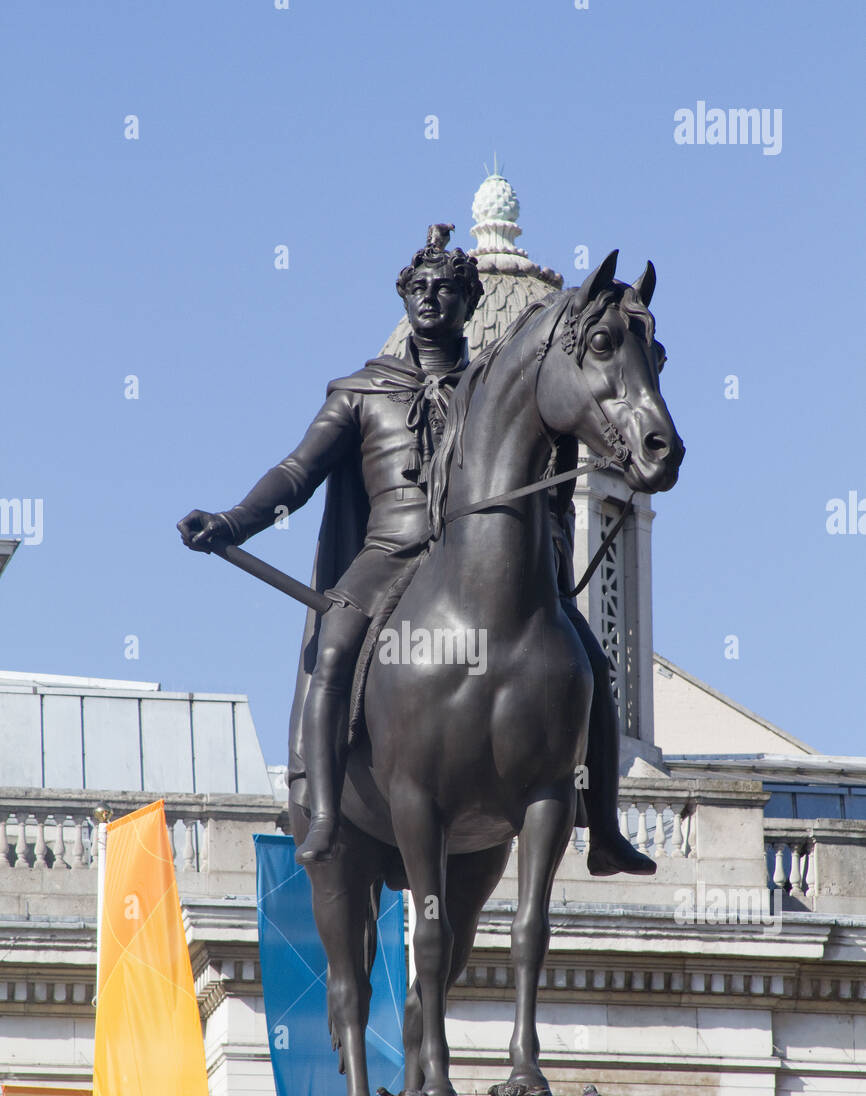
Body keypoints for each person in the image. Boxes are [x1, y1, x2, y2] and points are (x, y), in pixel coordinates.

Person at [178, 225, 654, 876]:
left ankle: (602, 825)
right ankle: (321, 808)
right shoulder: (360, 392)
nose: (432, 300)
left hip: (475, 557)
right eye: (420, 289)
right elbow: (297, 474)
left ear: (470, 302)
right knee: (338, 644)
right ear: (405, 299)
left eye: (448, 290)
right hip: (391, 552)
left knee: (590, 662)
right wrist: (233, 522)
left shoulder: (493, 394)